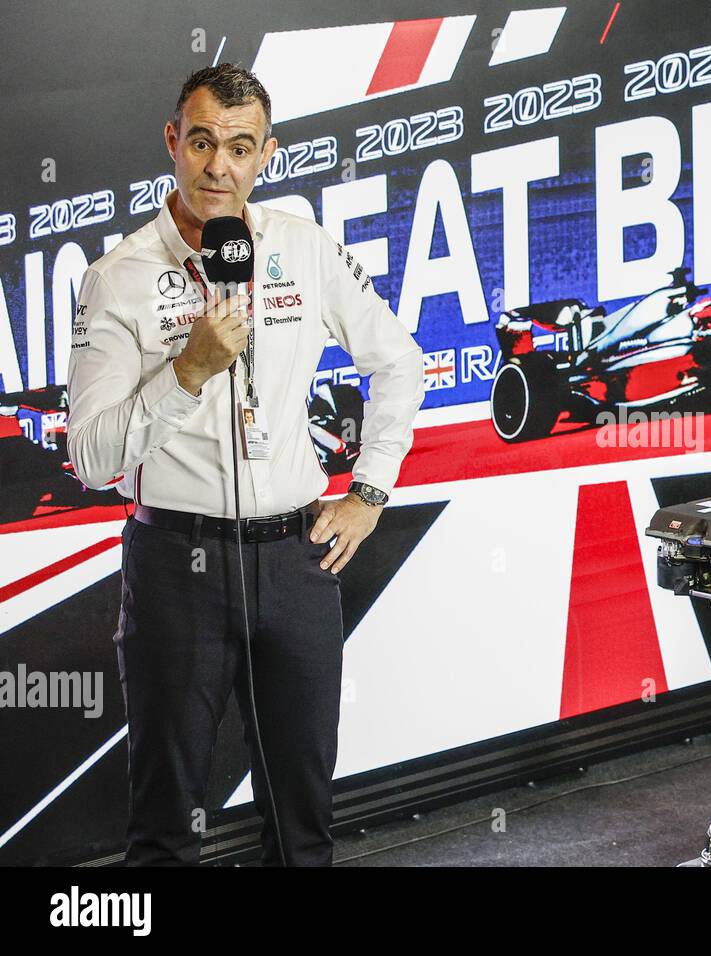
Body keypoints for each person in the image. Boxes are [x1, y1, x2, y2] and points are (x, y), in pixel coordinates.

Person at [66, 64, 424, 866]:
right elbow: (88, 457)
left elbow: (400, 362)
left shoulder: (303, 247)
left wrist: (368, 491)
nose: (217, 167)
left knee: (303, 824)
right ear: (173, 143)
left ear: (266, 153)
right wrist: (186, 372)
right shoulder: (116, 278)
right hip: (172, 567)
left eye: (238, 147)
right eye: (200, 142)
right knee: (164, 827)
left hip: (295, 562)